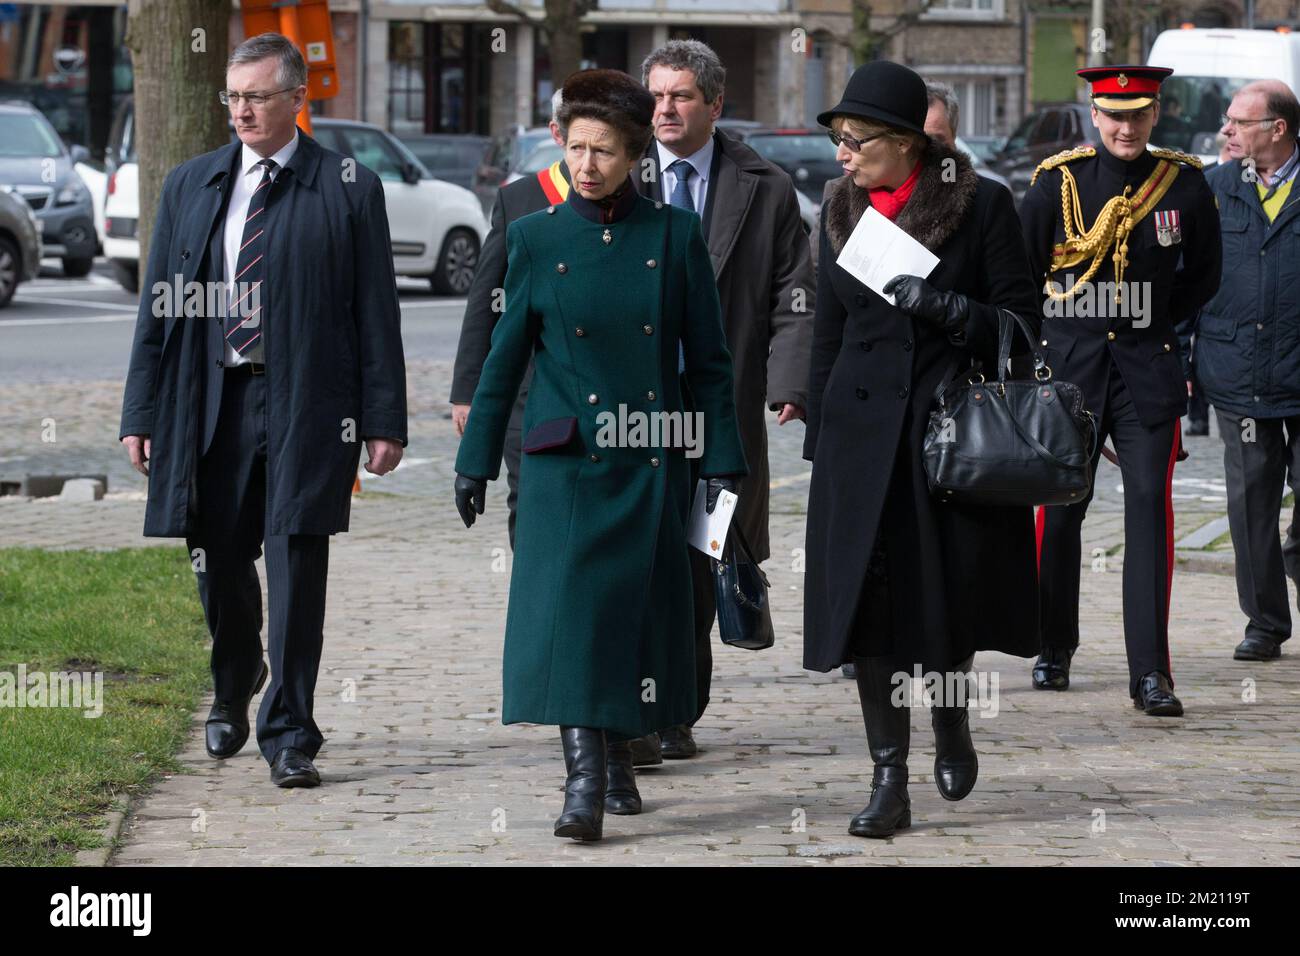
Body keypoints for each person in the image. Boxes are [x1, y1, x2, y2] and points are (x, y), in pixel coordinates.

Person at [452, 69, 748, 842]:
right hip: (565, 464)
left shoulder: (674, 237)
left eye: (605, 151)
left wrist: (724, 461)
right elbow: (504, 358)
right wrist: (475, 461)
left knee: (636, 619)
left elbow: (711, 362)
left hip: (650, 458)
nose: (588, 165)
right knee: (573, 620)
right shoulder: (536, 236)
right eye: (578, 149)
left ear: (636, 153)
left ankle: (619, 756)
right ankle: (583, 779)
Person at [118, 33, 408, 787]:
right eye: (232, 97)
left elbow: (376, 311)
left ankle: (290, 732)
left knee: (298, 564)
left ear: (296, 100)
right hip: (211, 401)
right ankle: (234, 681)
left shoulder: (347, 186)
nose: (241, 111)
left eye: (256, 97)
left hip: (310, 401)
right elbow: (158, 308)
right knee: (215, 558)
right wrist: (139, 412)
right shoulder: (192, 184)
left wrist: (384, 419)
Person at [804, 60, 1042, 838]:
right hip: (859, 441)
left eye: (856, 140)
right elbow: (828, 335)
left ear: (908, 143)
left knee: (942, 600)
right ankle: (887, 778)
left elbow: (1019, 325)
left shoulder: (984, 206)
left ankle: (951, 718)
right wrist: (820, 436)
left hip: (947, 437)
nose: (843, 154)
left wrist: (944, 307)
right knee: (869, 613)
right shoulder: (837, 209)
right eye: (838, 139)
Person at [631, 39, 815, 759]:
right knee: (640, 561)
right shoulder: (624, 171)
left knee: (703, 558)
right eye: (656, 95)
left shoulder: (762, 185)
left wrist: (788, 383)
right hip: (633, 412)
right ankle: (641, 707)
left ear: (714, 103)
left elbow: (796, 297)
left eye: (680, 96)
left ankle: (679, 709)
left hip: (719, 417)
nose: (664, 109)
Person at [1020, 66, 1222, 715]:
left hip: (1146, 371)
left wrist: (1154, 318)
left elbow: (1204, 275)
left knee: (1149, 512)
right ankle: (1053, 646)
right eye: (1114, 115)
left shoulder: (1184, 183)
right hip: (1071, 371)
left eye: (1138, 114)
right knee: (1059, 513)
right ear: (1094, 114)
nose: (1126, 127)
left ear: (1155, 114)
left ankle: (1150, 675)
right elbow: (1025, 279)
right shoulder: (1059, 182)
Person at [1196, 80, 1300, 662]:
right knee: (1251, 503)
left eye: (1239, 122)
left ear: (1277, 129)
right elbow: (1183, 280)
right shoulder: (1212, 190)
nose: (1226, 131)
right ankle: (1264, 623)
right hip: (1237, 371)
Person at [450, 91, 566, 552]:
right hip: (527, 390)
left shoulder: (638, 196)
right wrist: (467, 390)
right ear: (556, 133)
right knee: (529, 506)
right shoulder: (520, 198)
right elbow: (486, 296)